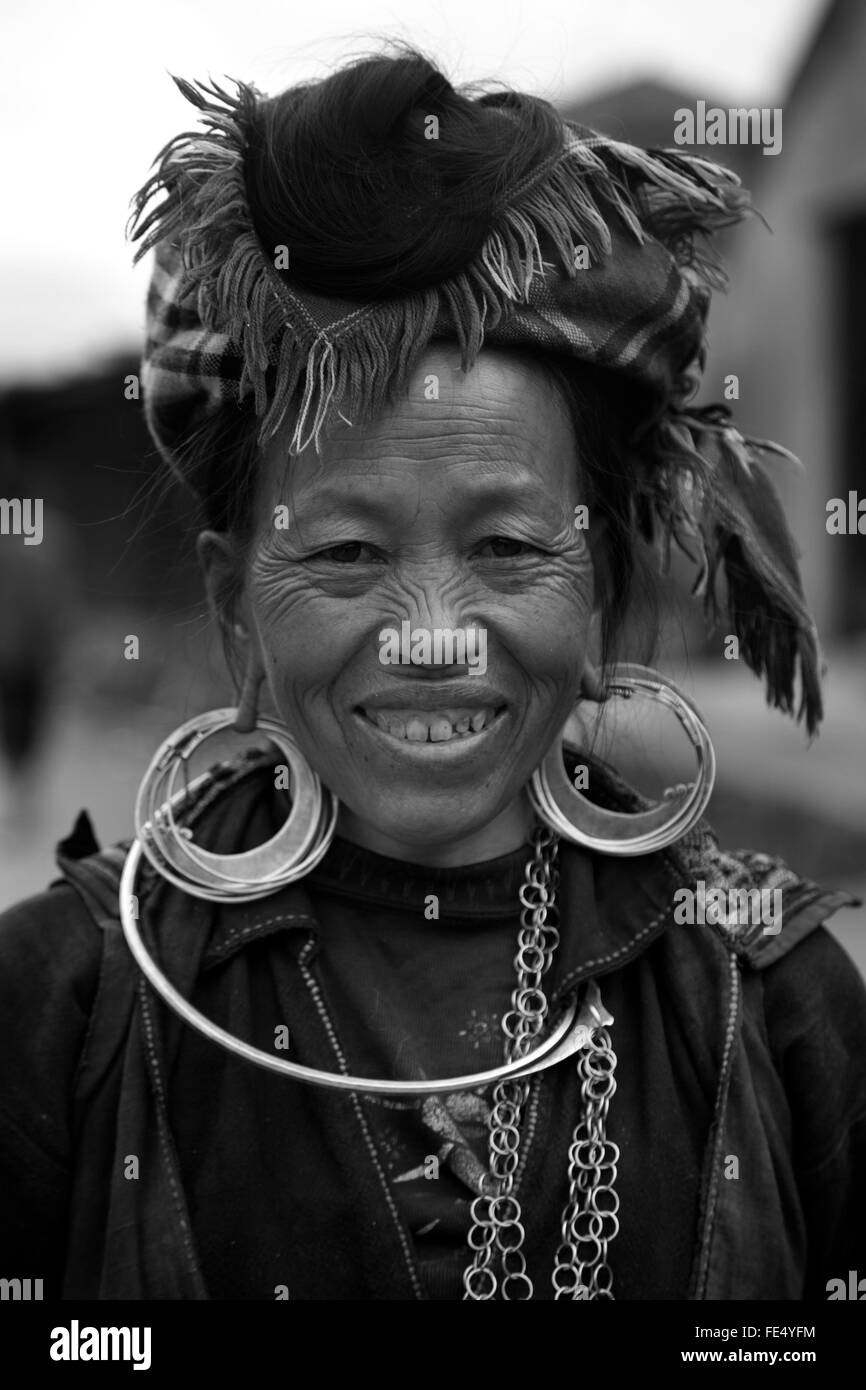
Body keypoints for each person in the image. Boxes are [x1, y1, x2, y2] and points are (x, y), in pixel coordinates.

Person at [1, 47, 864, 1302]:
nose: (431, 636)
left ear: (600, 598)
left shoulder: (776, 1001)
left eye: (506, 547)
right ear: (232, 608)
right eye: (345, 552)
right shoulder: (58, 1007)